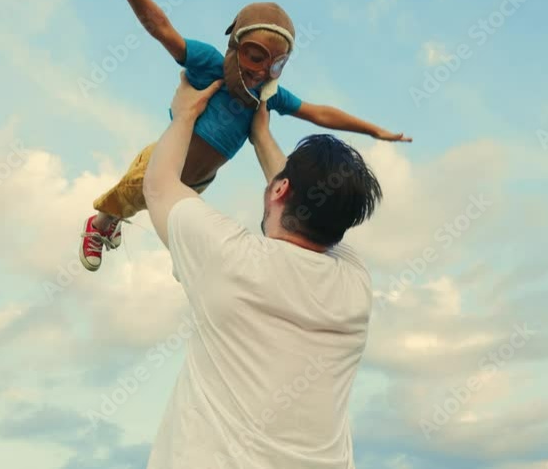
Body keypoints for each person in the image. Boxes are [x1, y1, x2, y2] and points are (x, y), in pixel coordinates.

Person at [78, 0, 409, 272]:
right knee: (128, 198)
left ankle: (141, 238)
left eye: (275, 63)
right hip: (162, 162)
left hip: (198, 180)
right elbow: (161, 28)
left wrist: (373, 130)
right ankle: (99, 224)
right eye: (255, 56)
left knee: (177, 223)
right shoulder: (211, 65)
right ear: (236, 47)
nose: (262, 71)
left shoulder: (266, 96)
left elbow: (318, 112)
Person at [140, 70, 381, 468]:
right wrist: (262, 136)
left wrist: (184, 114)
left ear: (281, 189)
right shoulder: (355, 283)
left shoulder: (230, 258)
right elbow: (309, 200)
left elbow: (159, 187)